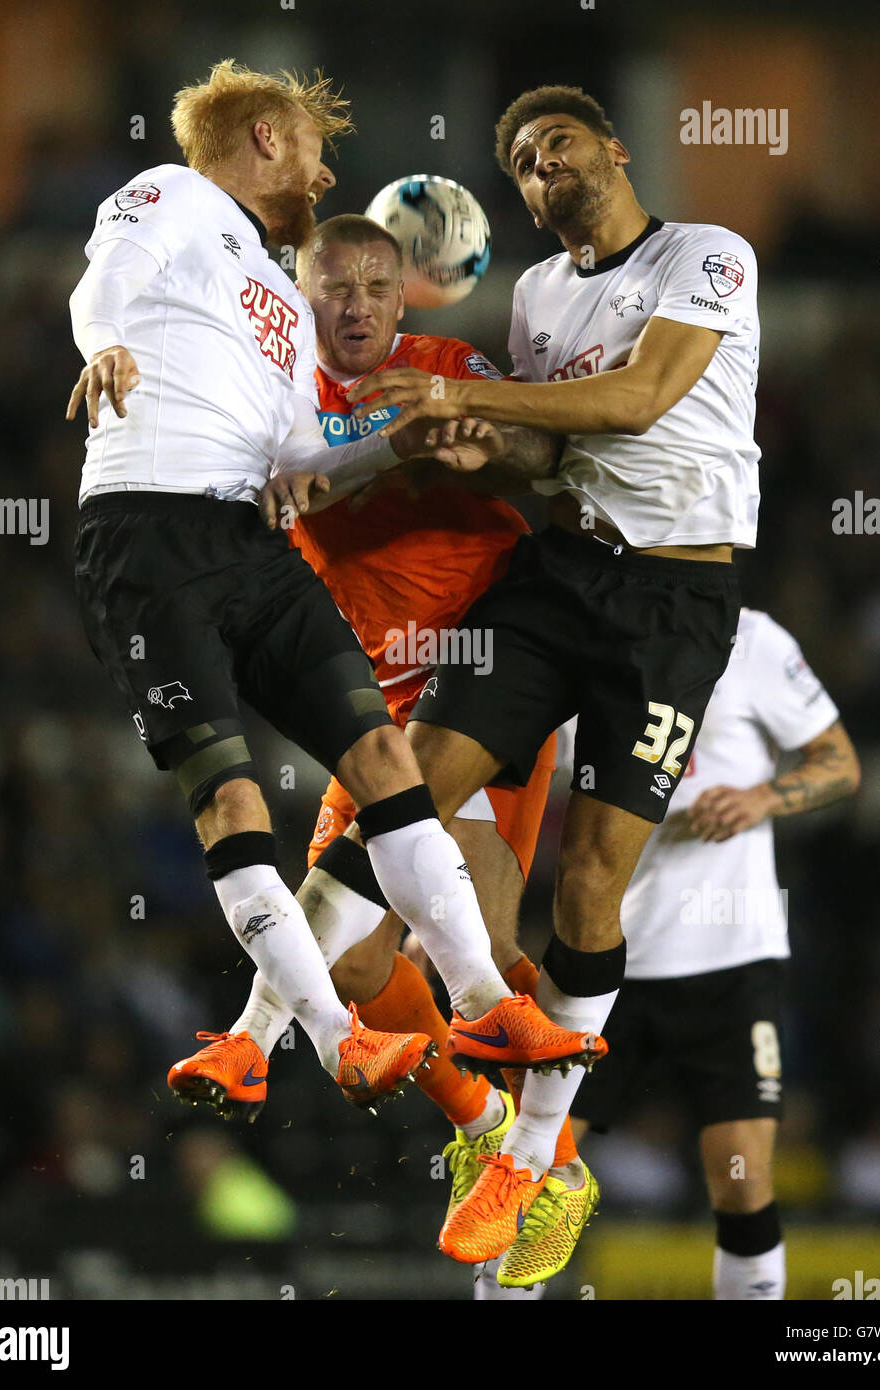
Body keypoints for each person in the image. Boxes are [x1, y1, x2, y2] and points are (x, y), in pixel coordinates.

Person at [65, 62, 594, 1125]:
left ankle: (485, 1004)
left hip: (253, 544)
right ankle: (320, 1040)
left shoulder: (270, 290)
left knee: (385, 761)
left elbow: (303, 450)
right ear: (264, 136)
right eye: (313, 144)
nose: (326, 167)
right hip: (148, 533)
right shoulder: (172, 197)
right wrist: (103, 343)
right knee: (233, 797)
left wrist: (397, 441)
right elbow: (100, 282)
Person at [327, 81, 761, 1262]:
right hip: (561, 578)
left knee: (588, 893)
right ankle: (447, 1051)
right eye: (517, 159)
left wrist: (462, 392)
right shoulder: (533, 293)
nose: (537, 167)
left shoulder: (704, 254)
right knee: (400, 785)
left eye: (554, 143)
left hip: (677, 599)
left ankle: (531, 1162)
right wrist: (479, 448)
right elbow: (551, 447)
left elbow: (638, 396)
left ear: (613, 150)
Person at [193, 212, 584, 1215]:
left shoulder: (449, 362)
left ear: (404, 295)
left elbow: (547, 458)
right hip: (368, 703)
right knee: (365, 960)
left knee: (486, 961)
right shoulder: (272, 395)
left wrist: (480, 444)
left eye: (375, 287)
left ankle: (552, 1161)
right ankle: (481, 1123)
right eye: (335, 288)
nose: (356, 305)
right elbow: (258, 500)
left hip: (483, 681)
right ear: (300, 293)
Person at [477, 608, 861, 1295]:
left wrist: (764, 795)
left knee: (741, 1178)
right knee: (532, 1163)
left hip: (730, 961)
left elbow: (840, 763)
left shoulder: (753, 642)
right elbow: (506, 786)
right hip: (596, 967)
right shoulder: (579, 644)